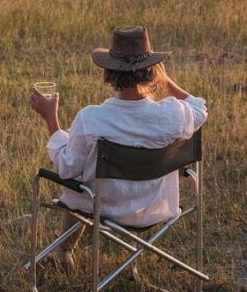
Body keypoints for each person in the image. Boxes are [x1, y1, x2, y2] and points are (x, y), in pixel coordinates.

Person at [28, 25, 207, 266]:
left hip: (104, 207)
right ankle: (64, 251)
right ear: (153, 72)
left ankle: (64, 250)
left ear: (109, 72)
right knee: (88, 168)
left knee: (80, 179)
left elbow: (67, 168)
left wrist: (51, 119)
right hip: (155, 207)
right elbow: (199, 108)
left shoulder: (92, 118)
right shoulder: (173, 114)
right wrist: (166, 82)